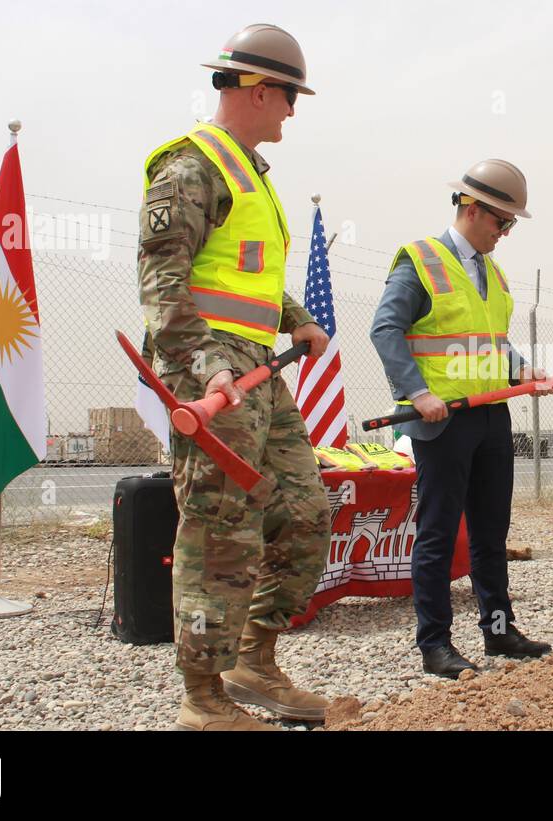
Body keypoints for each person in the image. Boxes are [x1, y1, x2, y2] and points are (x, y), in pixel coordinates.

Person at [138, 24, 332, 731]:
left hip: (259, 375)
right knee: (220, 528)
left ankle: (255, 660)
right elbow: (163, 283)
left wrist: (295, 315)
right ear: (256, 90)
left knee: (307, 509)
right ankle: (203, 696)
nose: (291, 111)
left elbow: (240, 272)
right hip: (211, 373)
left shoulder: (249, 173)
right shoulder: (192, 167)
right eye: (287, 96)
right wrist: (206, 364)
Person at [369, 159, 553, 678]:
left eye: (511, 224)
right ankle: (435, 645)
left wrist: (522, 369)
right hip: (444, 421)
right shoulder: (420, 260)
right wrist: (417, 391)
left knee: (491, 533)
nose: (506, 232)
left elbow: (491, 342)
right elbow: (386, 331)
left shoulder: (491, 272)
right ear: (472, 210)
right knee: (438, 532)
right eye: (502, 222)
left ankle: (499, 632)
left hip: (492, 416)